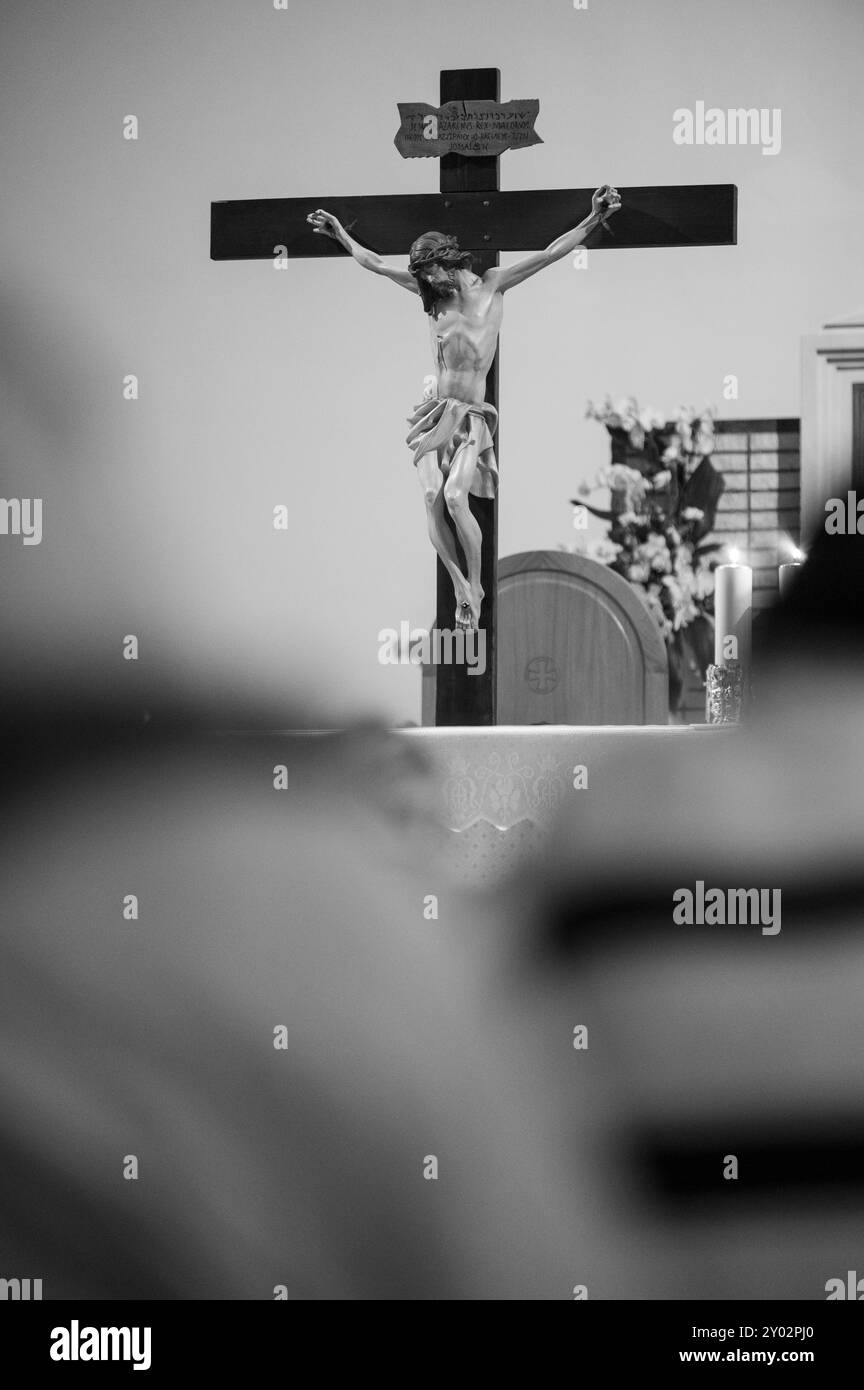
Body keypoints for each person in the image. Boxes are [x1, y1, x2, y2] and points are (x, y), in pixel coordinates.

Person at [307, 187, 622, 629]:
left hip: (471, 415)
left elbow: (550, 254)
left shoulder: (492, 285)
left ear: (448, 260)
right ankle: (460, 584)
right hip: (436, 412)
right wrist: (341, 235)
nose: (426, 281)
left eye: (431, 270)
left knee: (457, 498)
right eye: (421, 274)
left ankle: (475, 583)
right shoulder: (429, 294)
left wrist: (592, 219)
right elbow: (375, 264)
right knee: (434, 497)